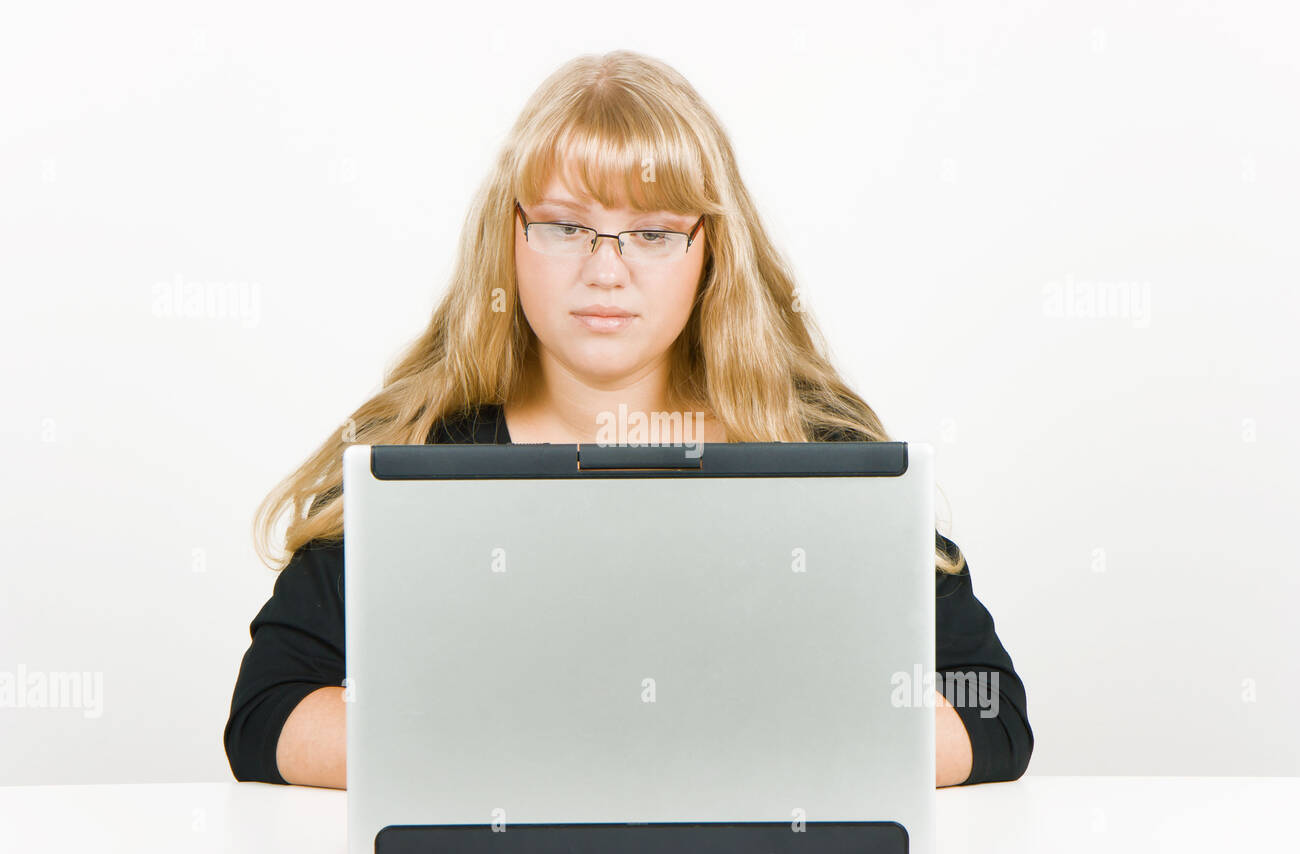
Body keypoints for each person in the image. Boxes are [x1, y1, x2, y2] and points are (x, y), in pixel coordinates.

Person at [225, 49, 1033, 791]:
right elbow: (269, 715)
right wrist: (573, 742)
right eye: (567, 226)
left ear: (710, 250)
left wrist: (718, 742)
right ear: (509, 238)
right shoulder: (416, 458)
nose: (604, 269)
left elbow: (991, 712)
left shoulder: (814, 453)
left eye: (650, 233)